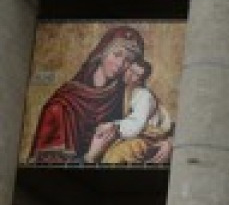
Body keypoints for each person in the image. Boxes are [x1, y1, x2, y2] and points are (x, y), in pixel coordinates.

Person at [27, 26, 144, 164]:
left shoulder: (124, 96)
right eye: (117, 54)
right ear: (102, 53)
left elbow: (143, 127)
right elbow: (49, 172)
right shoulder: (61, 106)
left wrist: (167, 143)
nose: (120, 64)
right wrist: (90, 156)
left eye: (128, 61)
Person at [101, 59, 173, 164]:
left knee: (116, 156)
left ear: (141, 80)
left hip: (148, 140)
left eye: (136, 74)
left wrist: (113, 125)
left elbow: (136, 124)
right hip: (137, 136)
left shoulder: (144, 95)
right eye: (130, 70)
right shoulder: (127, 91)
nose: (129, 75)